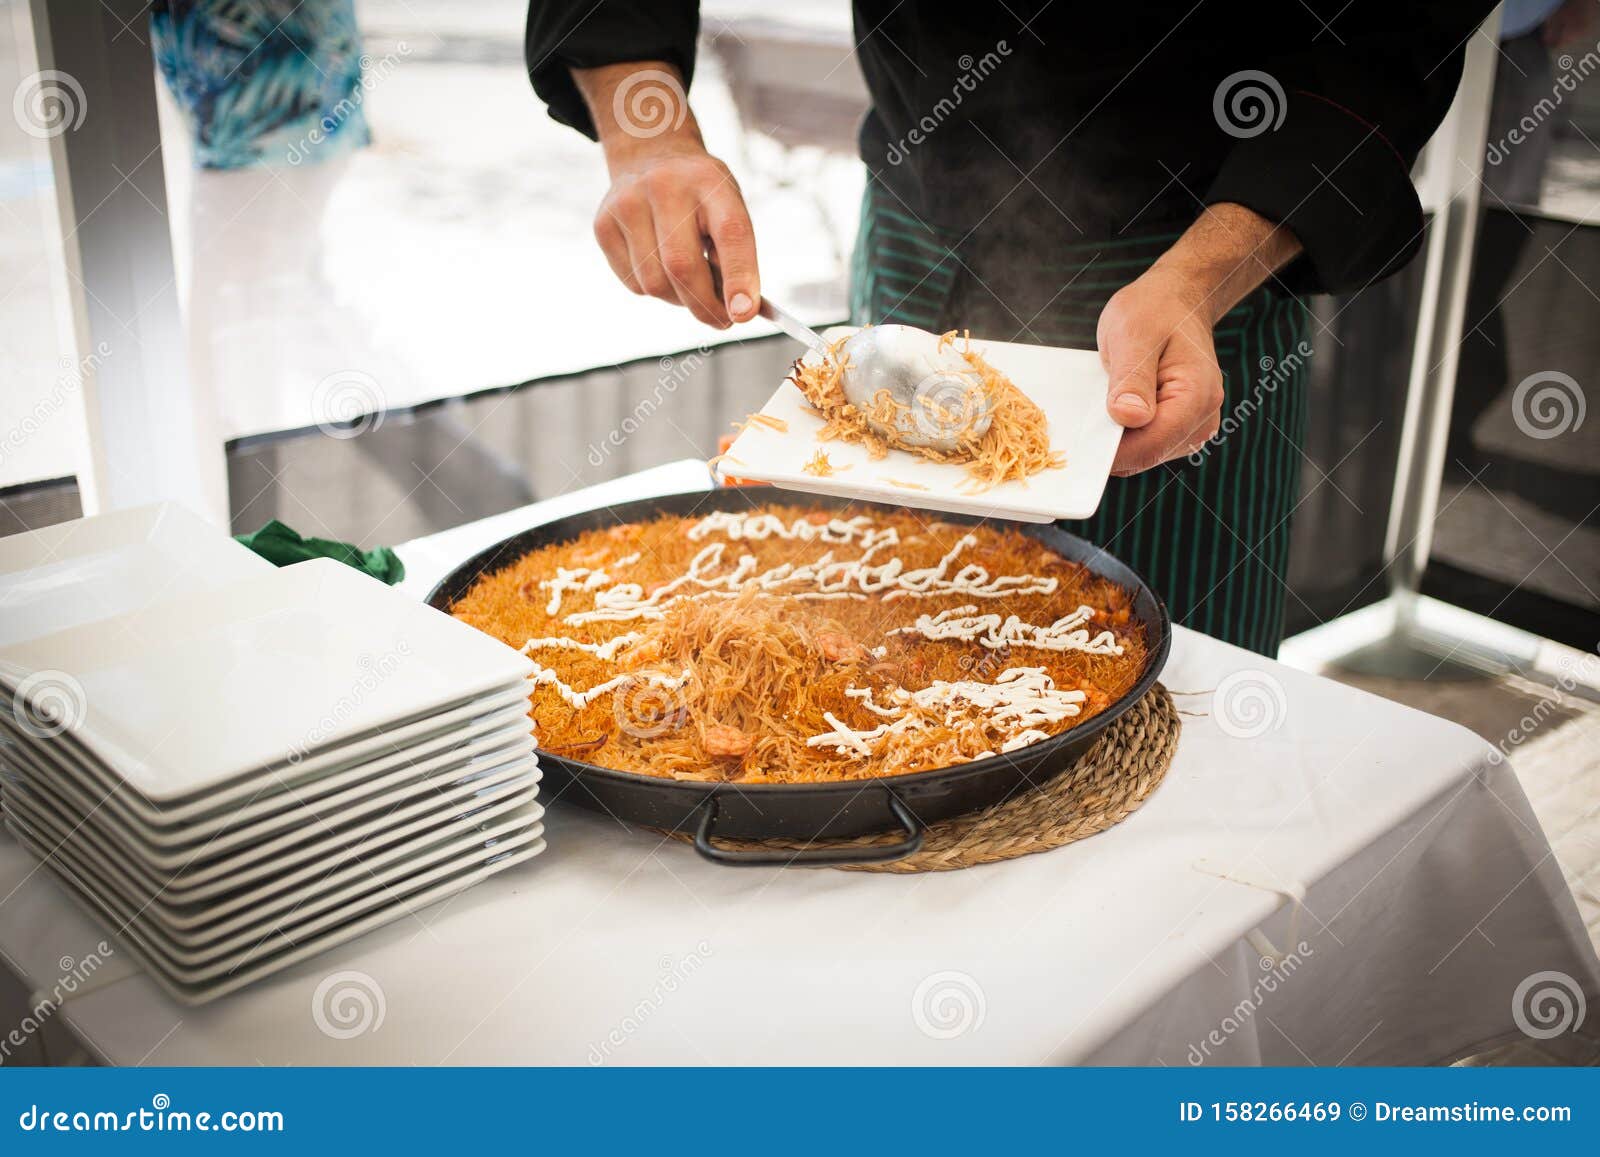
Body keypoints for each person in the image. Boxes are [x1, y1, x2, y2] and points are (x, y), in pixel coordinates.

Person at [524, 1, 1495, 655]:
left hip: (1198, 256)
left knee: (1179, 691)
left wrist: (1201, 282)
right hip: (911, 210)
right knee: (889, 661)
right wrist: (645, 128)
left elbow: (1386, 38)